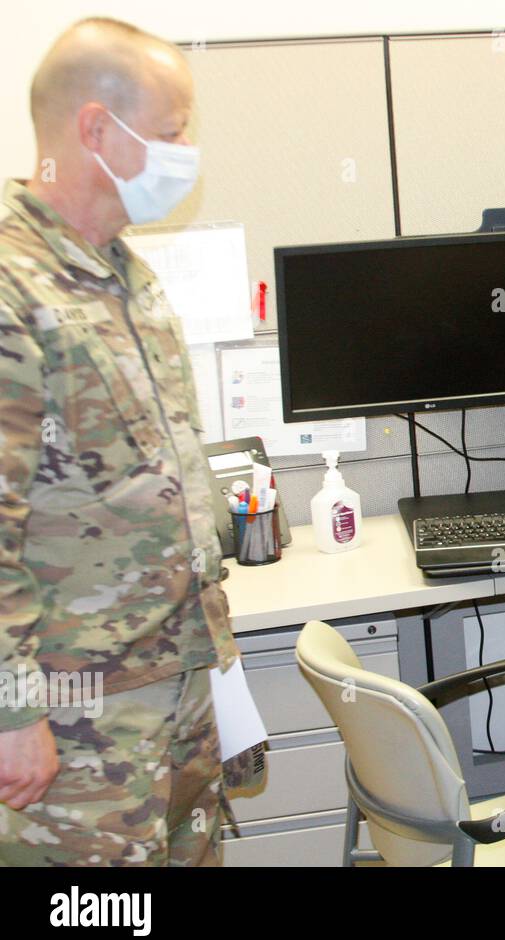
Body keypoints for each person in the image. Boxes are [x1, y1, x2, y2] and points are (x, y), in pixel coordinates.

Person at [0, 18, 238, 865]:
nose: (185, 152)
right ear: (97, 130)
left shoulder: (124, 274)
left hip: (170, 686)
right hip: (72, 713)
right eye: (172, 133)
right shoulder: (14, 287)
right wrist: (13, 713)